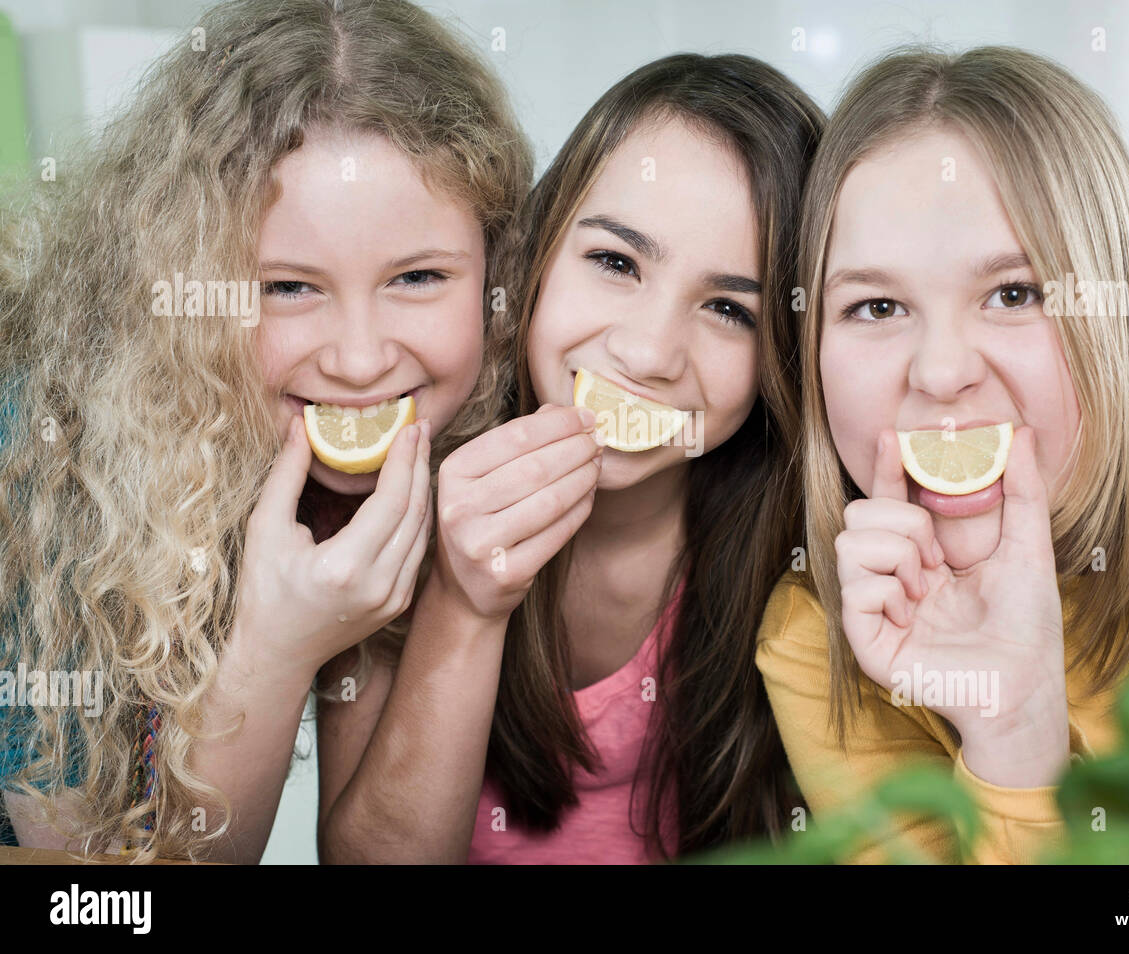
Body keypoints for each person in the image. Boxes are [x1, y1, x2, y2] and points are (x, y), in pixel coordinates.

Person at [0, 0, 530, 862]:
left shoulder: (417, 463)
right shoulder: (43, 461)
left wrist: (459, 603)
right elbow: (106, 902)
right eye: (287, 289)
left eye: (420, 277)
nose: (360, 362)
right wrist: (277, 648)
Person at [757, 44, 1129, 864]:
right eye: (876, 306)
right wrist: (1012, 727)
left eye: (1015, 294)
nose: (941, 373)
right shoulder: (816, 642)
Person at [318, 53, 824, 863]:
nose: (648, 351)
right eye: (617, 263)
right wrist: (464, 602)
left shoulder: (815, 558)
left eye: (729, 308)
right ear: (537, 254)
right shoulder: (386, 503)